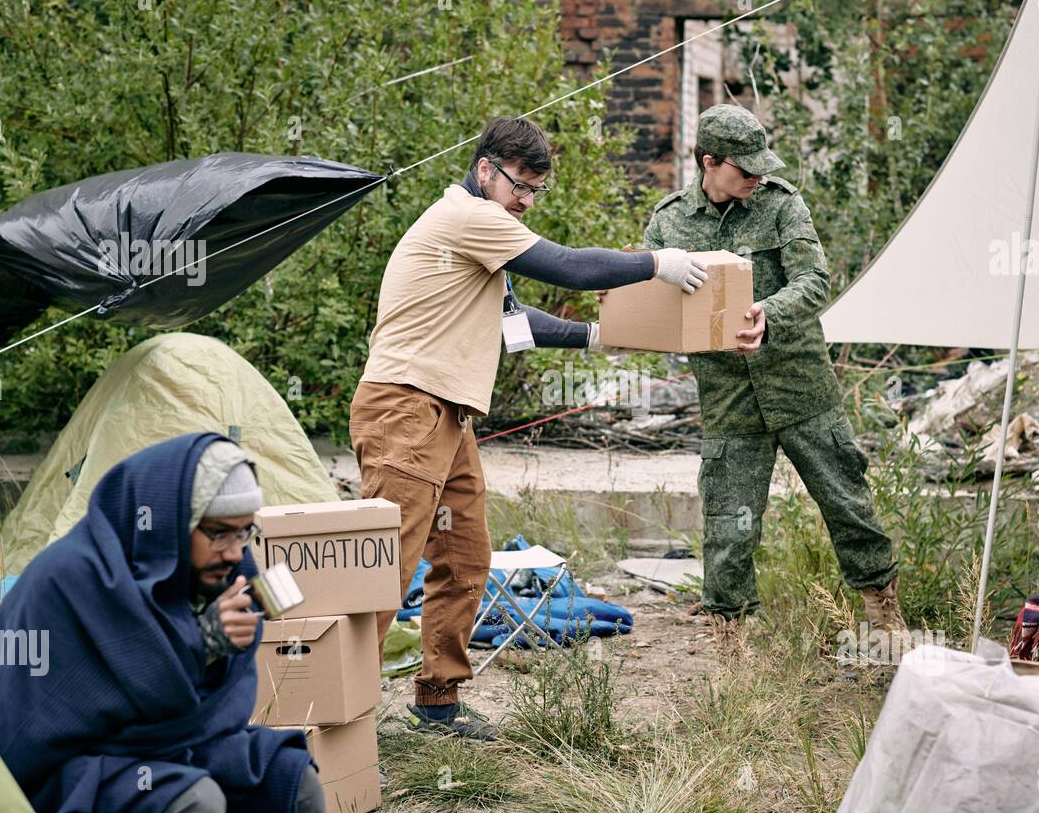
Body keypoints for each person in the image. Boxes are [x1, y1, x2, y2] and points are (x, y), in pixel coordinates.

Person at [351, 115, 706, 739]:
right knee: (382, 567)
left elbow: (514, 323)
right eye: (521, 186)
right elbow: (570, 268)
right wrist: (659, 262)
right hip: (405, 410)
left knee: (465, 557)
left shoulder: (482, 232)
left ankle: (437, 703)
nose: (526, 202)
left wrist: (595, 336)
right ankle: (336, 713)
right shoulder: (466, 216)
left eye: (537, 192)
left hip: (448, 417)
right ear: (485, 170)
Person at [639, 104, 903, 648]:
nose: (757, 177)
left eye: (762, 166)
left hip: (800, 386)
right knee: (729, 523)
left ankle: (885, 618)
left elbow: (814, 281)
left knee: (847, 502)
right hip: (729, 398)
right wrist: (621, 299)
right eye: (744, 169)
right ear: (709, 163)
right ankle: (731, 644)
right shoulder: (668, 222)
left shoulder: (783, 204)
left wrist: (767, 313)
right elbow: (653, 304)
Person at [0, 433, 326, 813]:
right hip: (69, 768)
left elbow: (218, 707)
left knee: (291, 779)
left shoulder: (213, 570)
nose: (236, 552)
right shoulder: (66, 580)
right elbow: (49, 725)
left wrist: (217, 639)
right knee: (193, 802)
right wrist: (198, 639)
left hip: (176, 742)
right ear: (169, 522)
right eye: (218, 532)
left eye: (244, 532)